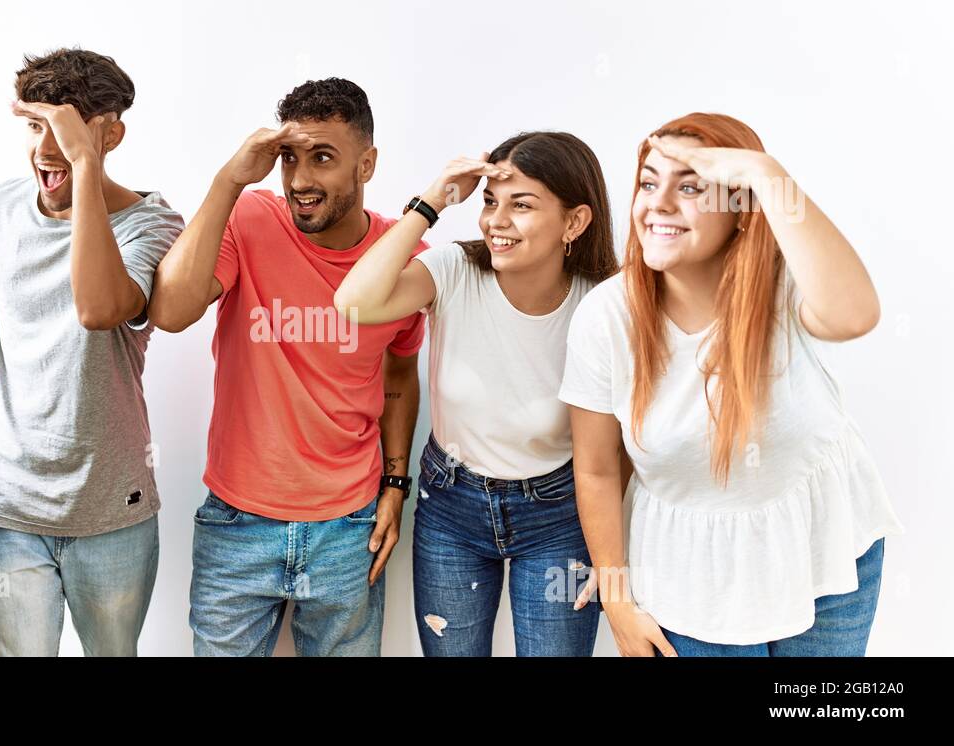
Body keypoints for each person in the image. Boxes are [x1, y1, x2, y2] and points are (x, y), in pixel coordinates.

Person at [559, 112, 904, 656]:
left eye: (690, 187)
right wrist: (619, 603)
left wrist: (766, 173)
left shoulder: (785, 280)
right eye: (649, 183)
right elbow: (598, 469)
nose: (659, 203)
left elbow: (855, 314)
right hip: (689, 570)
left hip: (823, 545)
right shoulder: (606, 317)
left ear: (742, 210)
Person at [149, 78, 424, 656]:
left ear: (366, 163)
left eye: (323, 157)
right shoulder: (249, 219)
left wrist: (396, 484)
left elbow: (400, 373)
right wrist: (228, 180)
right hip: (237, 522)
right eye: (290, 159)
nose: (300, 180)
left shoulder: (404, 259)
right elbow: (171, 312)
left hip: (350, 527)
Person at [334, 131, 619, 656]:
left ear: (575, 222)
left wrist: (614, 558)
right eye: (490, 202)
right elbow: (353, 302)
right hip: (451, 507)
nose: (495, 221)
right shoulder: (452, 270)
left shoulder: (603, 302)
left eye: (521, 205)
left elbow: (617, 445)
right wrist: (431, 202)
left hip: (557, 514)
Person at [0, 48, 184, 656]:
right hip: (11, 508)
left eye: (65, 127)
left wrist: (84, 166)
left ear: (112, 132)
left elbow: (98, 308)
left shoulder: (154, 224)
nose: (46, 147)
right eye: (35, 126)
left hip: (113, 510)